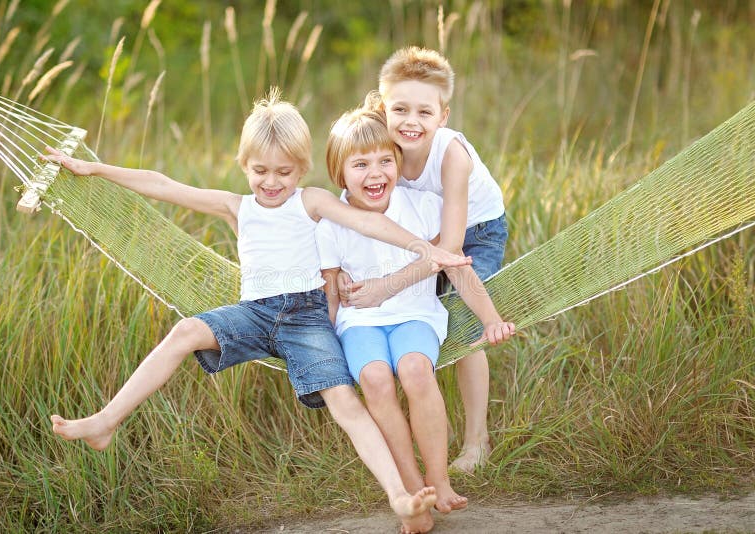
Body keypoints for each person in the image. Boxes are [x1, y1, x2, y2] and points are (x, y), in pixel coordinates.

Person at [44, 89, 472, 533]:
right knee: (186, 330)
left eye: (284, 172)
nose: (272, 182)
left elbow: (369, 222)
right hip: (255, 314)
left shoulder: (311, 201)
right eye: (260, 171)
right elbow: (163, 185)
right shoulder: (237, 206)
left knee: (345, 401)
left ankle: (400, 497)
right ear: (244, 165)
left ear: (302, 169)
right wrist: (93, 169)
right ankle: (105, 421)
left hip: (307, 319)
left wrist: (424, 249)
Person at [317, 107, 514, 525]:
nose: (376, 174)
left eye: (385, 160)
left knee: (416, 371)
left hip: (416, 315)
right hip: (359, 323)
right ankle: (411, 490)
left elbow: (454, 263)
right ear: (340, 173)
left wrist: (490, 318)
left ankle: (438, 479)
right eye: (361, 165)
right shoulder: (332, 223)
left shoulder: (422, 206)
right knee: (373, 379)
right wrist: (326, 353)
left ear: (397, 162)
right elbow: (331, 292)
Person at [338, 47, 509, 473]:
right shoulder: (381, 137)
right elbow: (356, 183)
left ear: (443, 116)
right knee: (413, 299)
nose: (411, 122)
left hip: (471, 235)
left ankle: (476, 442)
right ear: (383, 108)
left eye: (424, 112)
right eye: (400, 109)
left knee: (459, 313)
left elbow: (450, 250)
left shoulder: (452, 155)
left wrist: (385, 287)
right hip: (412, 234)